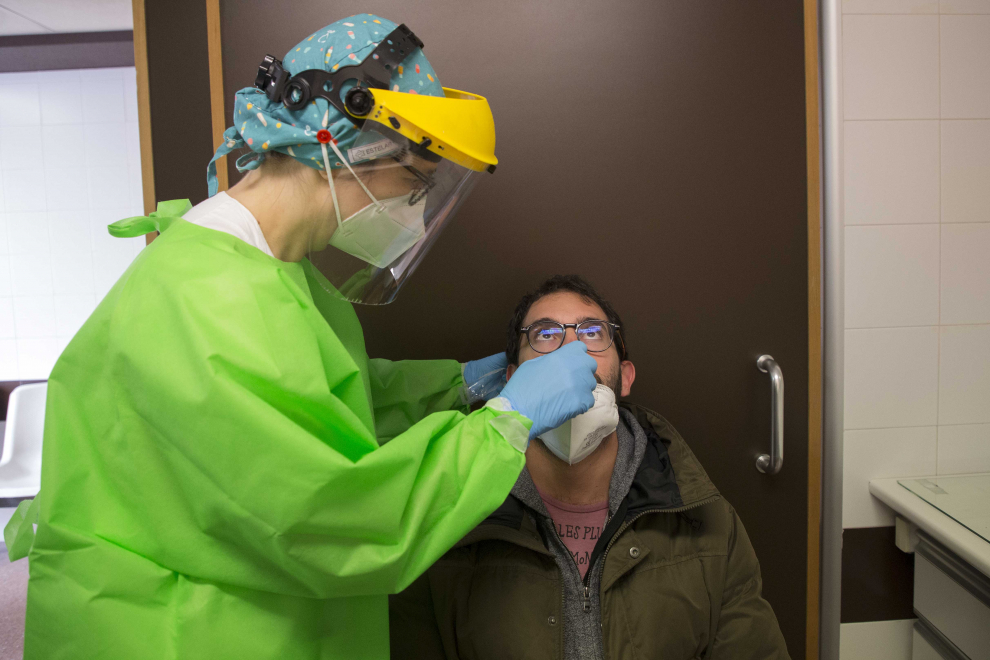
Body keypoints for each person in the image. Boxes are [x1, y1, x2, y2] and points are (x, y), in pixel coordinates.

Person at [2, 16, 600, 660]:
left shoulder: (275, 270)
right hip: (171, 629)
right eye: (417, 184)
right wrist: (508, 421)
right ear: (341, 141)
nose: (417, 213)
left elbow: (326, 402)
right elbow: (338, 521)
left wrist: (460, 386)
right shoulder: (202, 302)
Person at [389, 275, 790, 660]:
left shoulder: (703, 518)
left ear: (626, 377)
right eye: (546, 336)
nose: (569, 354)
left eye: (591, 333)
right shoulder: (451, 520)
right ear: (511, 381)